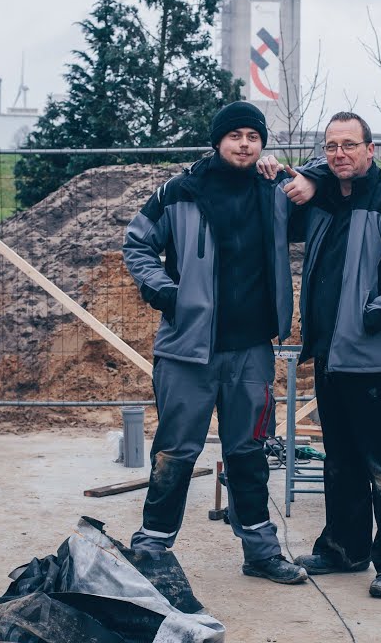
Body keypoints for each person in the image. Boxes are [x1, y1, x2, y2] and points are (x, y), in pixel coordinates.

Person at [121, 101, 307, 585]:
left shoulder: (275, 190)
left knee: (249, 453)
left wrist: (300, 174)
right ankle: (151, 550)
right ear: (218, 141)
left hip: (252, 350)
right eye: (235, 136)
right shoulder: (180, 191)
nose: (244, 144)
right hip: (188, 350)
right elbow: (137, 243)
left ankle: (261, 553)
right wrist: (166, 293)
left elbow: (333, 179)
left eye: (253, 136)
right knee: (174, 453)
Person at [260, 111, 381, 598]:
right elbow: (282, 210)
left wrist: (373, 314)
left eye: (349, 145)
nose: (340, 153)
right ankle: (344, 549)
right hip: (329, 356)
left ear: (370, 149)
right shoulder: (322, 204)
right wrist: (290, 175)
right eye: (331, 145)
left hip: (374, 360)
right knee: (340, 461)